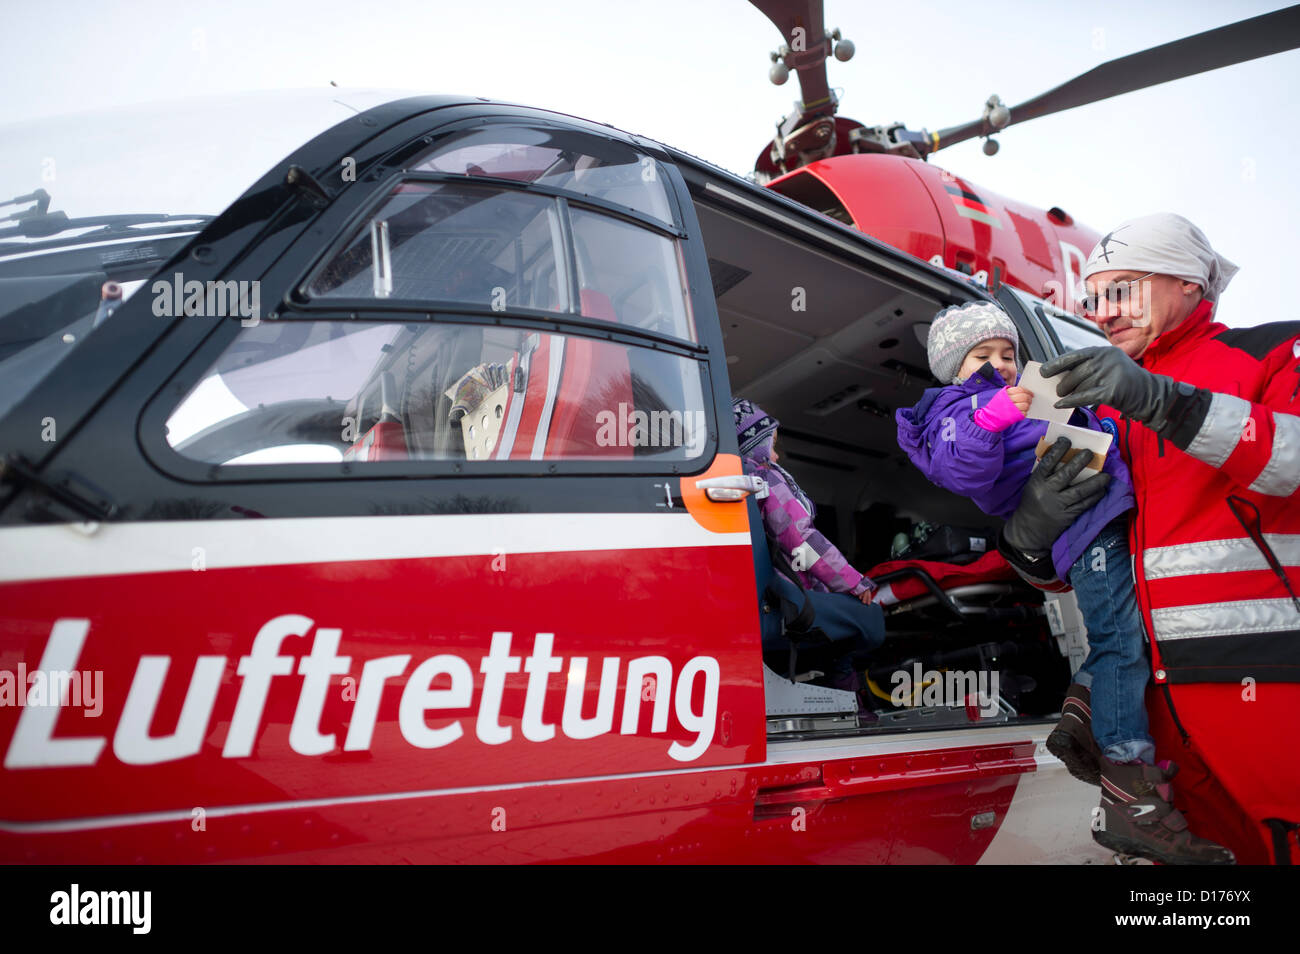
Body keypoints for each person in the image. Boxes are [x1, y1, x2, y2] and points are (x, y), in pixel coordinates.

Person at [1001, 212, 1300, 865]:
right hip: (1148, 713)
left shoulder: (1275, 350)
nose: (1103, 313)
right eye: (1092, 298)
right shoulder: (1095, 407)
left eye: (1123, 290)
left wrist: (1160, 401)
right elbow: (1061, 572)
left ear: (1189, 282)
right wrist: (1029, 531)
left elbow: (1290, 460)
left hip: (1270, 683)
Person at [895, 301, 1230, 863]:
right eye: (983, 355)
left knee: (1135, 636)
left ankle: (1083, 713)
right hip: (1083, 524)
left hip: (1103, 509)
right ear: (954, 366)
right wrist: (994, 415)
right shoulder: (957, 406)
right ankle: (1129, 783)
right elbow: (959, 467)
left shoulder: (1025, 391)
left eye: (1008, 353)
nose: (1001, 363)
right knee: (1120, 643)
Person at [734, 398, 885, 690]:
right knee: (868, 617)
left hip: (771, 594)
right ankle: (851, 693)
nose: (776, 457)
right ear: (754, 445)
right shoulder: (765, 478)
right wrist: (852, 582)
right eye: (771, 446)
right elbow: (801, 542)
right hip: (784, 595)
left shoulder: (737, 484)